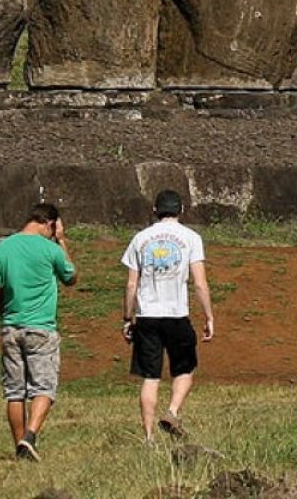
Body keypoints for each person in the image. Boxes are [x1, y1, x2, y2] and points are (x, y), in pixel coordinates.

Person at [0, 201, 76, 462]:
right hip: (41, 329)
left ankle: (20, 447)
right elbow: (71, 277)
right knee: (44, 388)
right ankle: (29, 436)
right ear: (50, 224)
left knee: (15, 392)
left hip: (11, 328)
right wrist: (61, 241)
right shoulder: (50, 248)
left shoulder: (2, 248)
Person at [121, 189, 214, 441]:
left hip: (147, 316)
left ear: (155, 210)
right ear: (181, 210)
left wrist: (128, 318)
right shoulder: (192, 238)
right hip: (177, 314)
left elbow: (131, 284)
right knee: (185, 369)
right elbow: (200, 283)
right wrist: (208, 316)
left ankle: (149, 437)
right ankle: (172, 411)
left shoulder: (140, 238)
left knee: (150, 377)